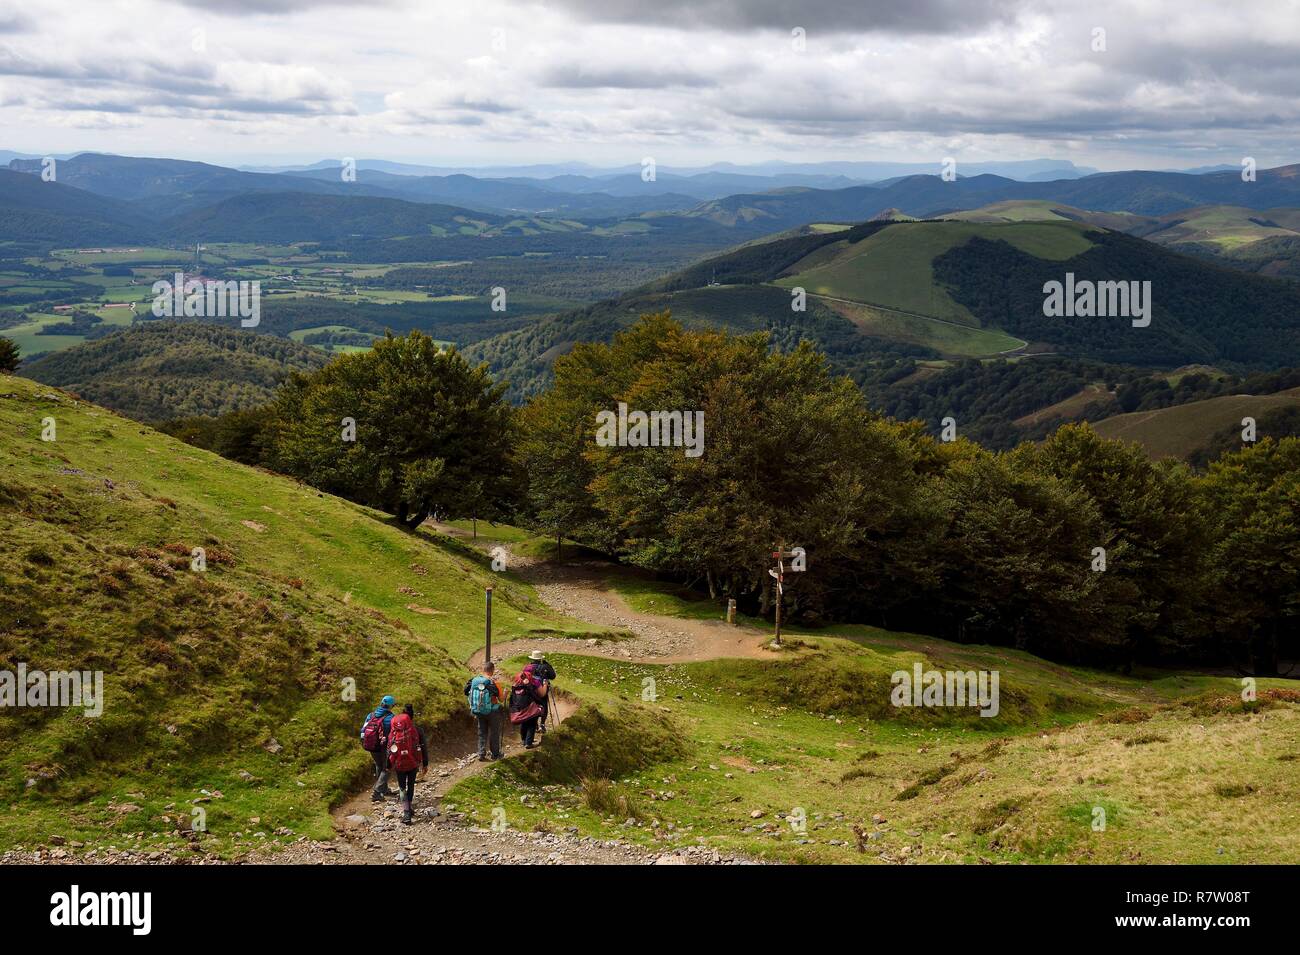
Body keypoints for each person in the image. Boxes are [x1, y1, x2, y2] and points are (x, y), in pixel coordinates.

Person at [387, 703, 428, 825]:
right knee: (411, 785)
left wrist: (388, 765)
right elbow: (424, 748)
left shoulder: (394, 731)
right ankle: (409, 809)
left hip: (399, 763)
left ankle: (406, 812)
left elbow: (389, 748)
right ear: (412, 717)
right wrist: (425, 764)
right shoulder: (417, 730)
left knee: (401, 787)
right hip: (413, 763)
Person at [466, 662, 506, 761]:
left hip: (478, 710)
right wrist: (505, 694)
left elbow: (466, 691)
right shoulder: (493, 683)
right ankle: (495, 754)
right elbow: (501, 699)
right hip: (492, 711)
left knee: (482, 732)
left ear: (483, 670)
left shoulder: (474, 681)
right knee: (494, 732)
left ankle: (481, 753)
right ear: (492, 670)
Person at [360, 695, 397, 801]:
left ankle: (383, 789)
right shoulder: (391, 718)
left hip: (371, 746)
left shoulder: (370, 715)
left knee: (379, 765)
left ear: (381, 703)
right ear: (391, 706)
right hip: (384, 747)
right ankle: (377, 792)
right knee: (387, 768)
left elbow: (363, 730)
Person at [510, 663, 548, 749]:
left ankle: (524, 740)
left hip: (519, 706)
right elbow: (541, 694)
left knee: (524, 722)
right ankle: (529, 742)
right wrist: (545, 685)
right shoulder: (533, 681)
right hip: (530, 706)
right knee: (532, 723)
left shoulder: (517, 681)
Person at [526, 650, 557, 733]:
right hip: (542, 689)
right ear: (540, 659)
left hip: (531, 691)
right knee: (544, 706)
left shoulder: (528, 667)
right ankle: (542, 724)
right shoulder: (545, 666)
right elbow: (553, 676)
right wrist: (547, 665)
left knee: (533, 706)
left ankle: (535, 724)